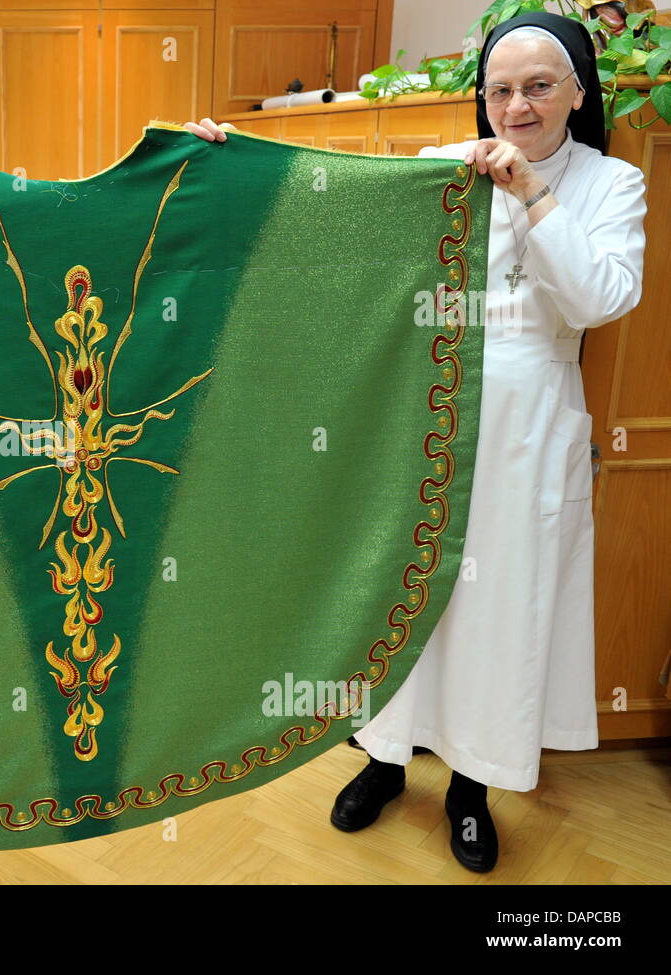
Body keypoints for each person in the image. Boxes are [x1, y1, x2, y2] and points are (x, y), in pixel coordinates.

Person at [186, 10, 646, 874]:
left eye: (538, 86)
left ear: (578, 93)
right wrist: (230, 162)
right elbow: (330, 219)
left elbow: (598, 298)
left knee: (496, 614)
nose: (516, 106)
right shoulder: (441, 169)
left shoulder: (611, 184)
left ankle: (472, 788)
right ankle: (385, 759)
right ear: (482, 96)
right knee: (404, 592)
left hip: (532, 431)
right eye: (500, 89)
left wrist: (530, 194)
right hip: (427, 414)